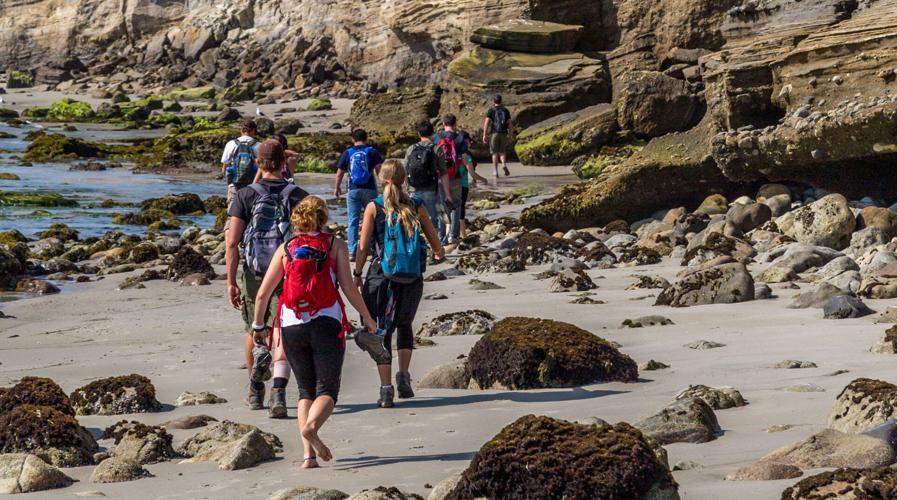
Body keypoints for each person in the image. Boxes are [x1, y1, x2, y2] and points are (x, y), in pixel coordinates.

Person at [252, 196, 376, 468]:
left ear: (297, 219)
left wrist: (258, 327)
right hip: (326, 322)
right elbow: (348, 288)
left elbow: (263, 294)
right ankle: (312, 428)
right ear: (323, 218)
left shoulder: (286, 248)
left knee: (305, 390)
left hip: (291, 324)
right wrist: (367, 317)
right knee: (328, 390)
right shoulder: (335, 245)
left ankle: (308, 456)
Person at [226, 139, 309, 417]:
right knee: (282, 330)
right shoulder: (299, 194)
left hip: (255, 273)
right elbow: (309, 240)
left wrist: (230, 281)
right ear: (284, 163)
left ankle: (255, 389)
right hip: (289, 272)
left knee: (254, 329)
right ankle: (279, 392)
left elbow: (232, 242)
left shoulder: (246, 195)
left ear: (258, 163)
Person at [355, 160, 445, 408]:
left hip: (381, 277)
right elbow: (436, 244)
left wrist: (357, 272)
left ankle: (386, 390)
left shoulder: (374, 207)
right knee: (405, 324)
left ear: (381, 179)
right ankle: (403, 375)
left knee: (381, 330)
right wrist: (438, 253)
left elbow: (362, 247)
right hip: (411, 277)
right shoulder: (416, 205)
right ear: (404, 179)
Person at [334, 129, 383, 261]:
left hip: (353, 190)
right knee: (373, 219)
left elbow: (339, 173)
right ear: (366, 139)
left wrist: (337, 188)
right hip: (370, 189)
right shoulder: (371, 151)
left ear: (353, 140)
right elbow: (379, 169)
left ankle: (352, 251)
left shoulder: (348, 152)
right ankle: (374, 249)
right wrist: (384, 184)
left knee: (353, 221)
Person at [404, 120, 452, 240]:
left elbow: (404, 171)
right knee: (432, 219)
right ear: (432, 133)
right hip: (430, 189)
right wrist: (447, 194)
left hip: (413, 190)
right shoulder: (437, 149)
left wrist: (405, 189)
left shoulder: (411, 149)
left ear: (419, 134)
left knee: (415, 219)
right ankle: (434, 247)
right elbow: (444, 173)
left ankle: (417, 245)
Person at [432, 115, 468, 244]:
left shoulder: (436, 138)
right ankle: (453, 235)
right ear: (455, 123)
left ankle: (442, 237)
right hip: (455, 176)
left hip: (440, 177)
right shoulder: (459, 138)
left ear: (443, 123)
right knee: (456, 205)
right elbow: (464, 160)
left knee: (442, 206)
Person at [221, 119, 261, 210]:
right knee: (251, 213)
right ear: (254, 131)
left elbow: (224, 167)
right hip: (253, 186)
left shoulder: (231, 144)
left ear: (241, 130)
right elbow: (262, 167)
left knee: (232, 214)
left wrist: (228, 182)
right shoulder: (259, 145)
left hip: (234, 184)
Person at [482, 95, 513, 178]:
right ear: (501, 101)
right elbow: (510, 124)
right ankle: (503, 164)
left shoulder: (491, 110)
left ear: (494, 101)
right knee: (502, 152)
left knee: (494, 153)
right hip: (503, 133)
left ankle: (495, 171)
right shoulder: (505, 110)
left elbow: (487, 123)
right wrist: (510, 136)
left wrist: (484, 135)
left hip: (494, 133)